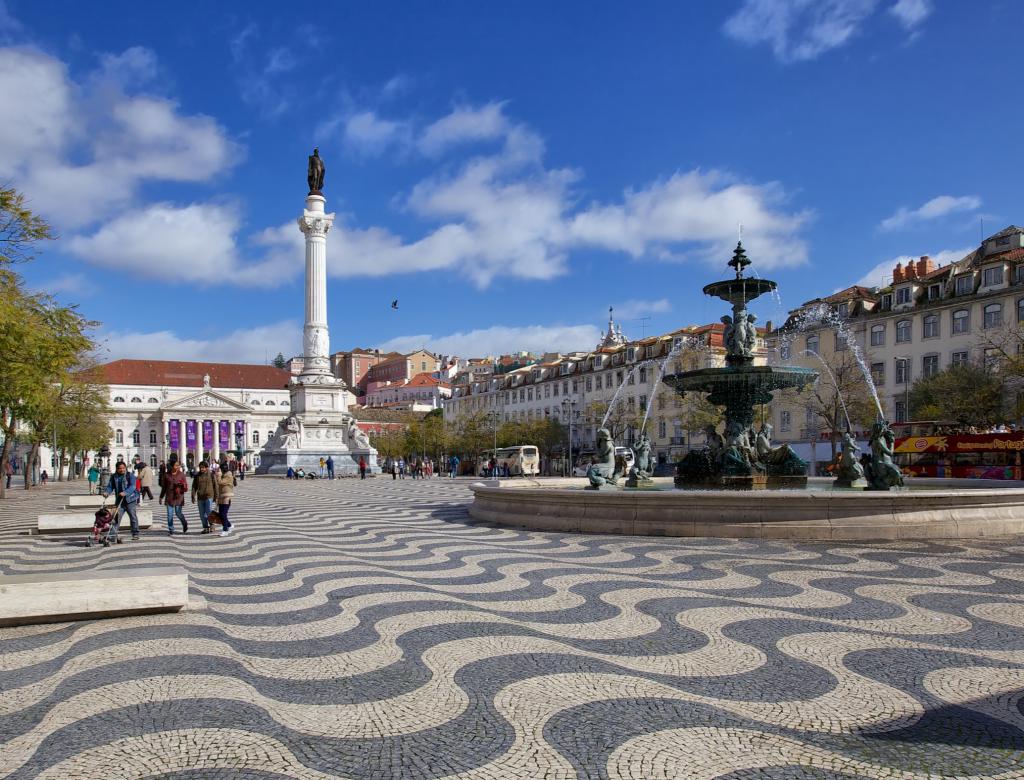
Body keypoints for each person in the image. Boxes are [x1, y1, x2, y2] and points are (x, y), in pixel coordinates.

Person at [105, 460, 141, 541]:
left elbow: (133, 486)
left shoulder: (130, 475)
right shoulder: (114, 476)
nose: (122, 470)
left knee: (133, 517)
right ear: (117, 469)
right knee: (116, 518)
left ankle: (135, 533)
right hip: (119, 500)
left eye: (123, 468)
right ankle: (112, 535)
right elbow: (110, 486)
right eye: (120, 468)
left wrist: (125, 492)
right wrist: (107, 492)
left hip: (130, 499)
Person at [159, 460, 189, 535]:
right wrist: (161, 497)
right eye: (176, 465)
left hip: (179, 496)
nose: (177, 467)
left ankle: (184, 523)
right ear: (172, 466)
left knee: (178, 513)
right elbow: (164, 487)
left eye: (178, 465)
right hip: (169, 497)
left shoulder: (181, 474)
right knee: (170, 514)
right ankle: (171, 529)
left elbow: (186, 486)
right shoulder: (167, 475)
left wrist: (182, 485)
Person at [190, 461, 219, 534]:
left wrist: (216, 496)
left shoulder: (211, 475)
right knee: (202, 514)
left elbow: (215, 486)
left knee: (209, 512)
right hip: (200, 497)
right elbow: (194, 487)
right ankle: (205, 527)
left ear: (206, 468)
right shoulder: (197, 476)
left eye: (203, 468)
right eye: (200, 468)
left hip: (209, 496)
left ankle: (212, 525)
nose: (201, 469)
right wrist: (193, 496)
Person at [215, 463, 236, 536]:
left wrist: (218, 474)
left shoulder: (228, 475)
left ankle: (225, 530)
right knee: (221, 514)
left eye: (220, 469)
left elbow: (220, 482)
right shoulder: (224, 475)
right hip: (222, 496)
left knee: (223, 514)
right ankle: (230, 525)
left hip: (226, 496)